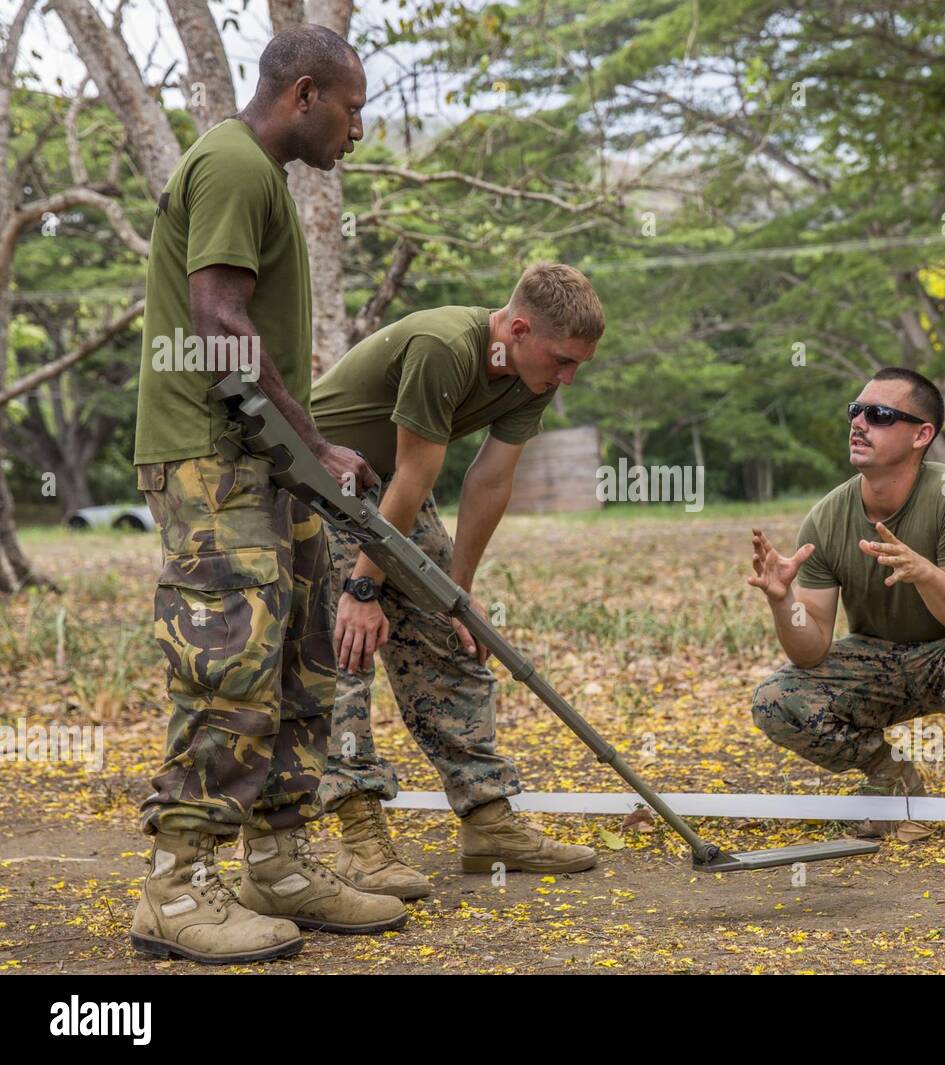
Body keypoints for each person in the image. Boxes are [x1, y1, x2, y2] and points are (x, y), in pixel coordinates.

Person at [130, 25, 406, 965]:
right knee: (228, 665)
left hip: (261, 458)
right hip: (214, 457)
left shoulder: (264, 176)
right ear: (303, 93)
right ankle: (174, 888)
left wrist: (298, 450)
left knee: (301, 660)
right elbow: (216, 324)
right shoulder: (235, 164)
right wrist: (314, 440)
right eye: (352, 106)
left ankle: (279, 862)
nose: (357, 128)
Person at [308, 263, 604, 897]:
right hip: (319, 483)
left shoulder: (534, 372)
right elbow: (415, 476)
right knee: (348, 648)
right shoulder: (444, 347)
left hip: (391, 489)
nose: (568, 377)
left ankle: (488, 820)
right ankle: (358, 832)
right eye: (562, 360)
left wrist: (457, 596)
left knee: (455, 638)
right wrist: (363, 591)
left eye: (578, 363)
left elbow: (491, 478)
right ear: (518, 328)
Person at [748, 368, 945, 840]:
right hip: (880, 660)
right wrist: (783, 604)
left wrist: (924, 572)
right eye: (855, 411)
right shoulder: (825, 518)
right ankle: (892, 778)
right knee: (776, 700)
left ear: (921, 435)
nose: (859, 423)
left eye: (880, 415)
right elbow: (810, 652)